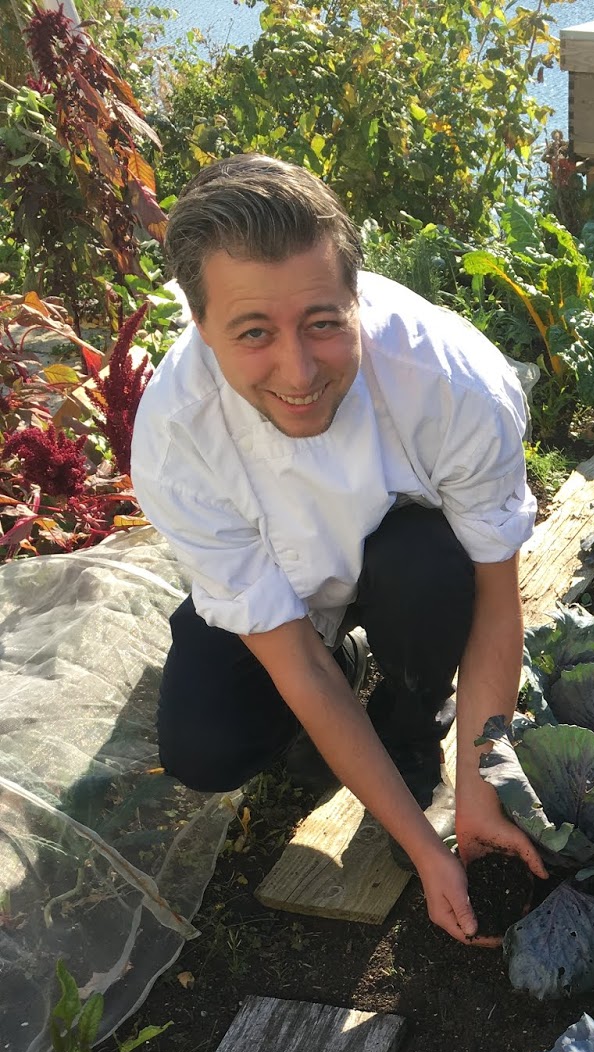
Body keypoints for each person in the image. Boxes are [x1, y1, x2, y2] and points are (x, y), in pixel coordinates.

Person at [130, 154, 547, 945]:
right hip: (285, 590)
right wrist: (427, 851)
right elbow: (293, 659)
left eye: (324, 321)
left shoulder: (454, 385)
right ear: (201, 327)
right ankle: (355, 668)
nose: (298, 369)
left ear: (356, 296)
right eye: (253, 334)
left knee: (428, 567)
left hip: (403, 570)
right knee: (204, 749)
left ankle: (408, 721)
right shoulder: (175, 439)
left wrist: (477, 792)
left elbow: (497, 600)